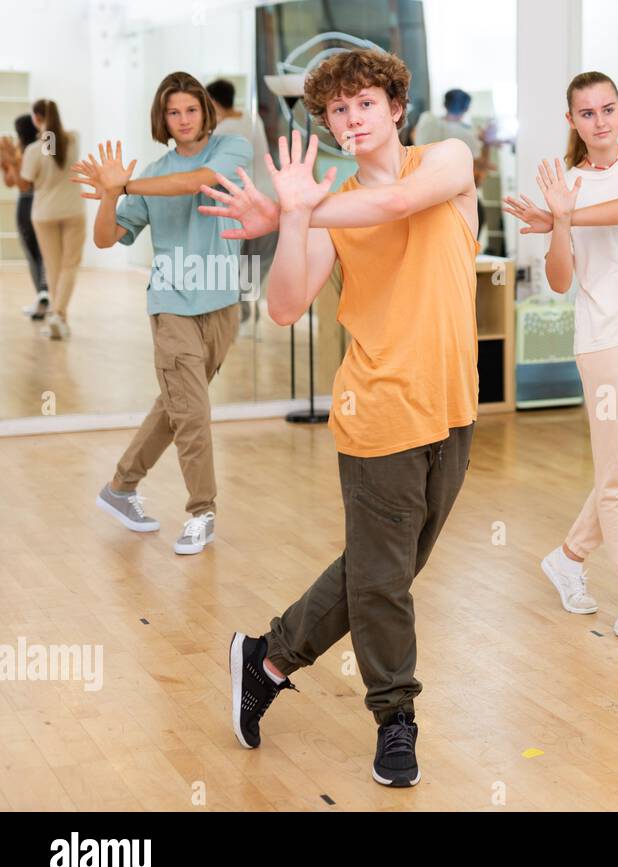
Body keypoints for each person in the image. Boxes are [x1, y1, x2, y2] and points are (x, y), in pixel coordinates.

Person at [201, 49, 479, 788]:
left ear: (395, 108)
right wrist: (292, 223)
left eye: (365, 104)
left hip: (453, 408)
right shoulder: (330, 211)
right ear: (327, 126)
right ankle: (396, 720)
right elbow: (287, 305)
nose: (351, 119)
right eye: (336, 111)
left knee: (381, 568)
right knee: (385, 584)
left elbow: (395, 204)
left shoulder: (448, 160)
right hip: (377, 410)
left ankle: (265, 658)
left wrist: (295, 207)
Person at [502, 71, 618, 639]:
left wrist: (562, 216)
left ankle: (568, 556)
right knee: (615, 473)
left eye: (608, 109)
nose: (600, 121)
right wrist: (558, 219)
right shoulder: (569, 184)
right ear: (572, 121)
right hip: (606, 339)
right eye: (588, 114)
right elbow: (560, 280)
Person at [71, 73, 251, 553]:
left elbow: (196, 183)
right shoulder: (152, 174)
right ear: (162, 119)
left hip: (222, 305)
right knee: (192, 412)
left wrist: (125, 183)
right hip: (172, 306)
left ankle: (120, 488)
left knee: (175, 407)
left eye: (191, 109)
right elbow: (106, 239)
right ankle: (202, 512)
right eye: (174, 112)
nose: (184, 119)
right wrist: (111, 195)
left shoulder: (231, 149)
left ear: (204, 112)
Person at [206, 78, 279, 329]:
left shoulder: (223, 131)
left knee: (243, 263)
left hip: (249, 206)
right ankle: (246, 314)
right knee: (255, 262)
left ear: (213, 102)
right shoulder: (251, 117)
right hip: (269, 199)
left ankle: (243, 316)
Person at [22, 99, 85, 339]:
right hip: (72, 210)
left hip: (44, 213)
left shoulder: (33, 150)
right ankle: (59, 315)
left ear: (37, 118)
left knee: (53, 267)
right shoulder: (74, 139)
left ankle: (58, 317)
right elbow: (56, 146)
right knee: (70, 265)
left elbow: (26, 182)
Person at [414, 88, 494, 233]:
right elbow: (479, 170)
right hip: (454, 201)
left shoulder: (427, 122)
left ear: (445, 104)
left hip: (421, 196)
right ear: (467, 108)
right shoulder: (467, 135)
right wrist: (487, 143)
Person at [0, 115, 49, 318]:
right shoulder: (43, 149)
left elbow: (18, 184)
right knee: (46, 253)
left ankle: (43, 294)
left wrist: (9, 162)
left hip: (28, 203)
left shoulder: (26, 151)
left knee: (34, 253)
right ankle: (45, 295)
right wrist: (6, 163)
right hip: (45, 203)